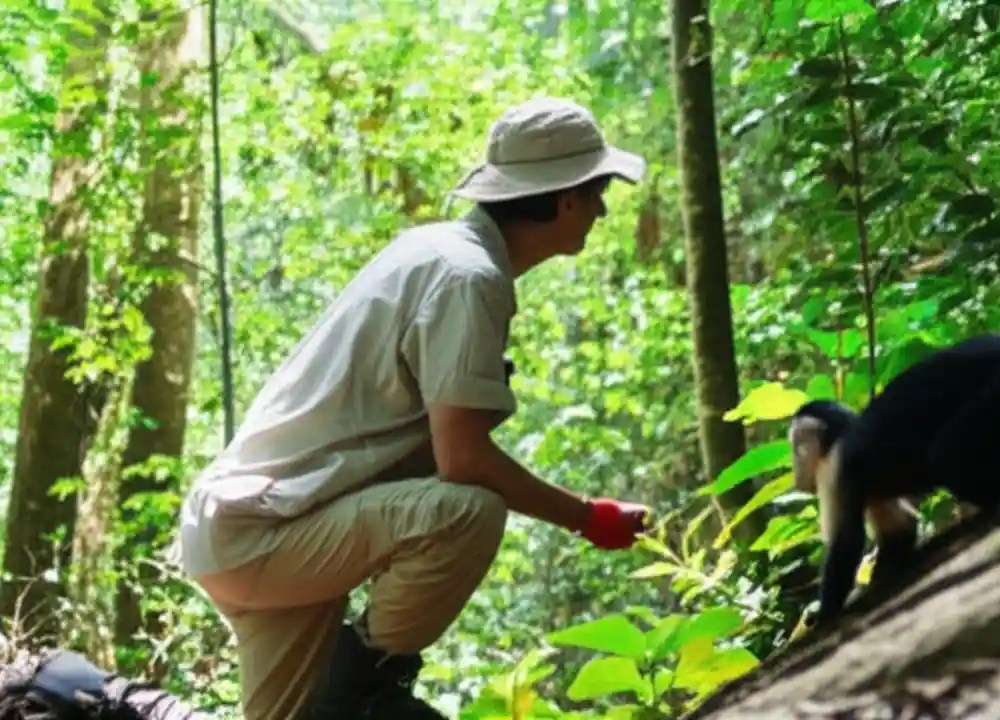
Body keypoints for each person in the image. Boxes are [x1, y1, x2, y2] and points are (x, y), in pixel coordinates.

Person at [170, 97, 652, 720]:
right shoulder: (467, 277)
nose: (601, 210)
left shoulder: (436, 250)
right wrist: (588, 518)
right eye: (595, 193)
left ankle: (350, 695)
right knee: (468, 512)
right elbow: (465, 462)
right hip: (268, 532)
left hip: (254, 527)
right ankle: (367, 687)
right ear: (564, 199)